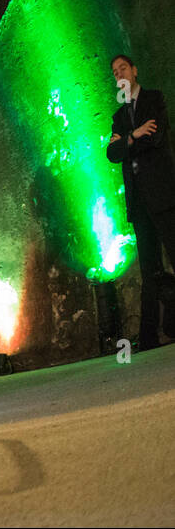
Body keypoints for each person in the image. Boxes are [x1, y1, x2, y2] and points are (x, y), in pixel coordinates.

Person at [107, 53, 175, 348]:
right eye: (114, 72)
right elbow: (112, 154)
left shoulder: (154, 99)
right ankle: (148, 338)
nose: (119, 74)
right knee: (149, 270)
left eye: (123, 68)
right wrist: (134, 134)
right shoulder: (119, 117)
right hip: (139, 203)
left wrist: (126, 141)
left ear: (134, 71)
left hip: (163, 194)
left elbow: (155, 138)